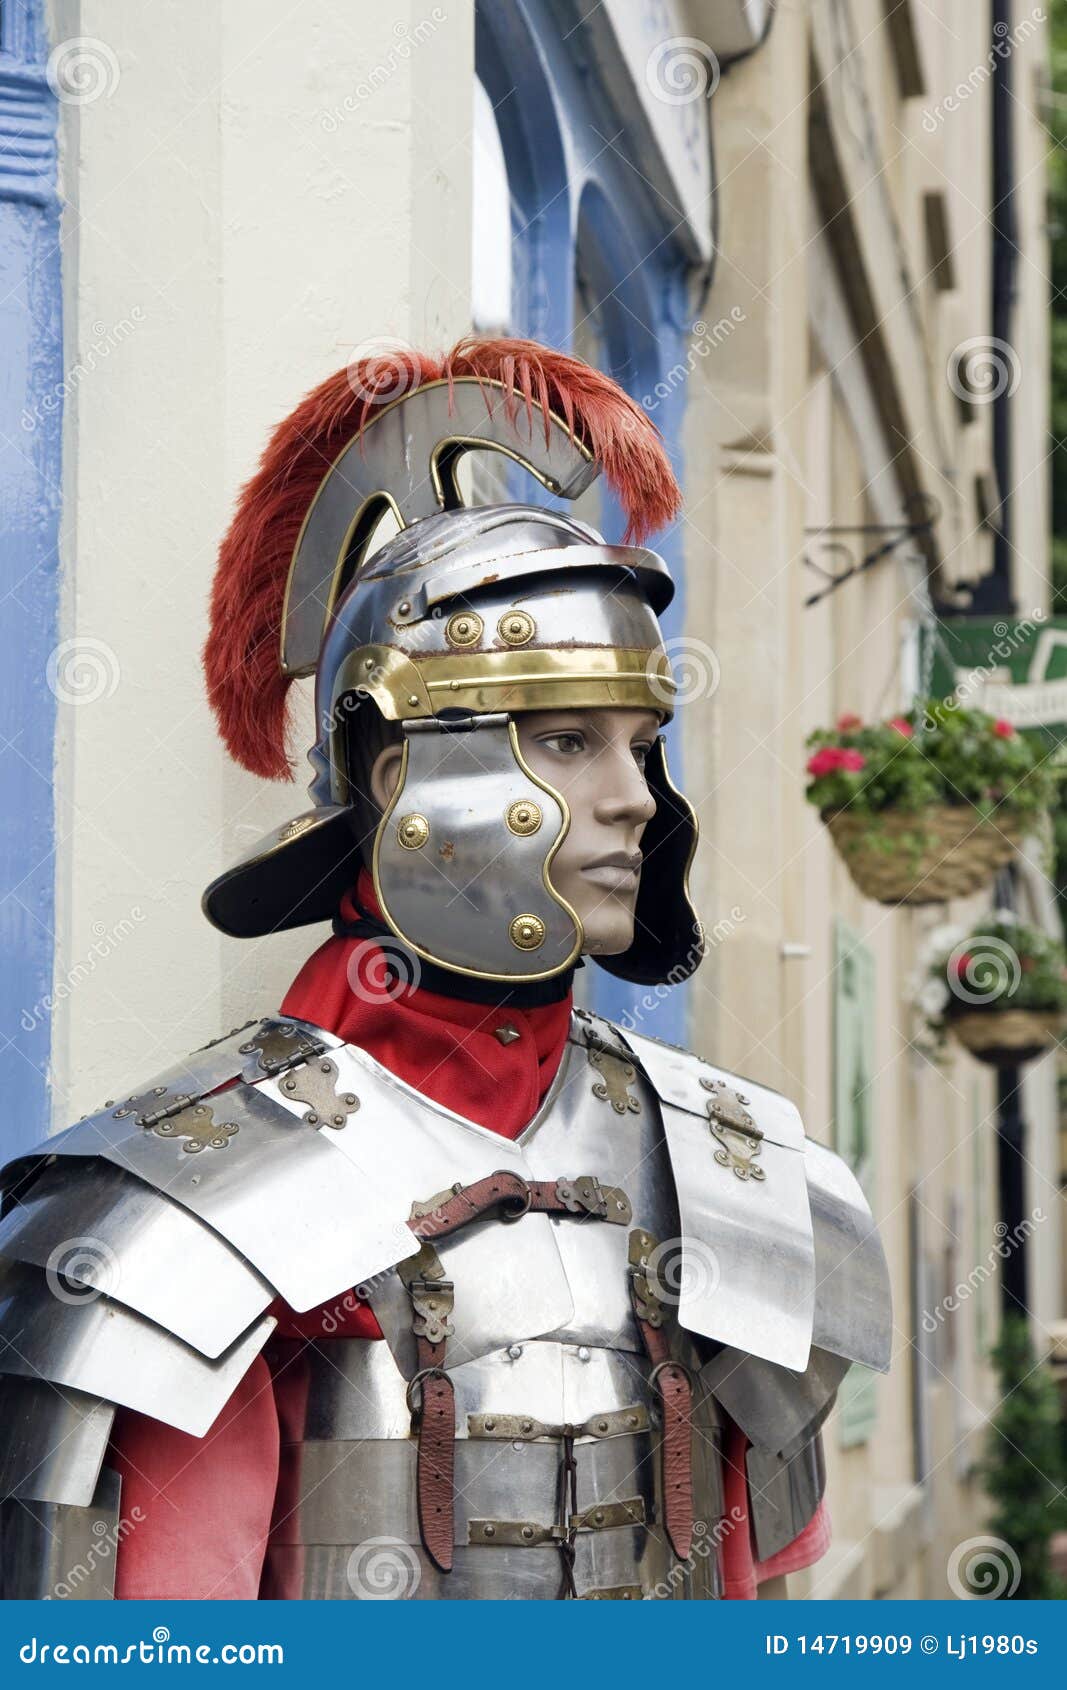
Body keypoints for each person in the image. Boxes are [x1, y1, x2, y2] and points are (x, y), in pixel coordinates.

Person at [0, 338, 890, 1601]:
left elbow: (746, 1610)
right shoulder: (175, 1214)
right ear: (391, 773)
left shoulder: (731, 1164)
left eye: (642, 746)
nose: (634, 799)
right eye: (569, 742)